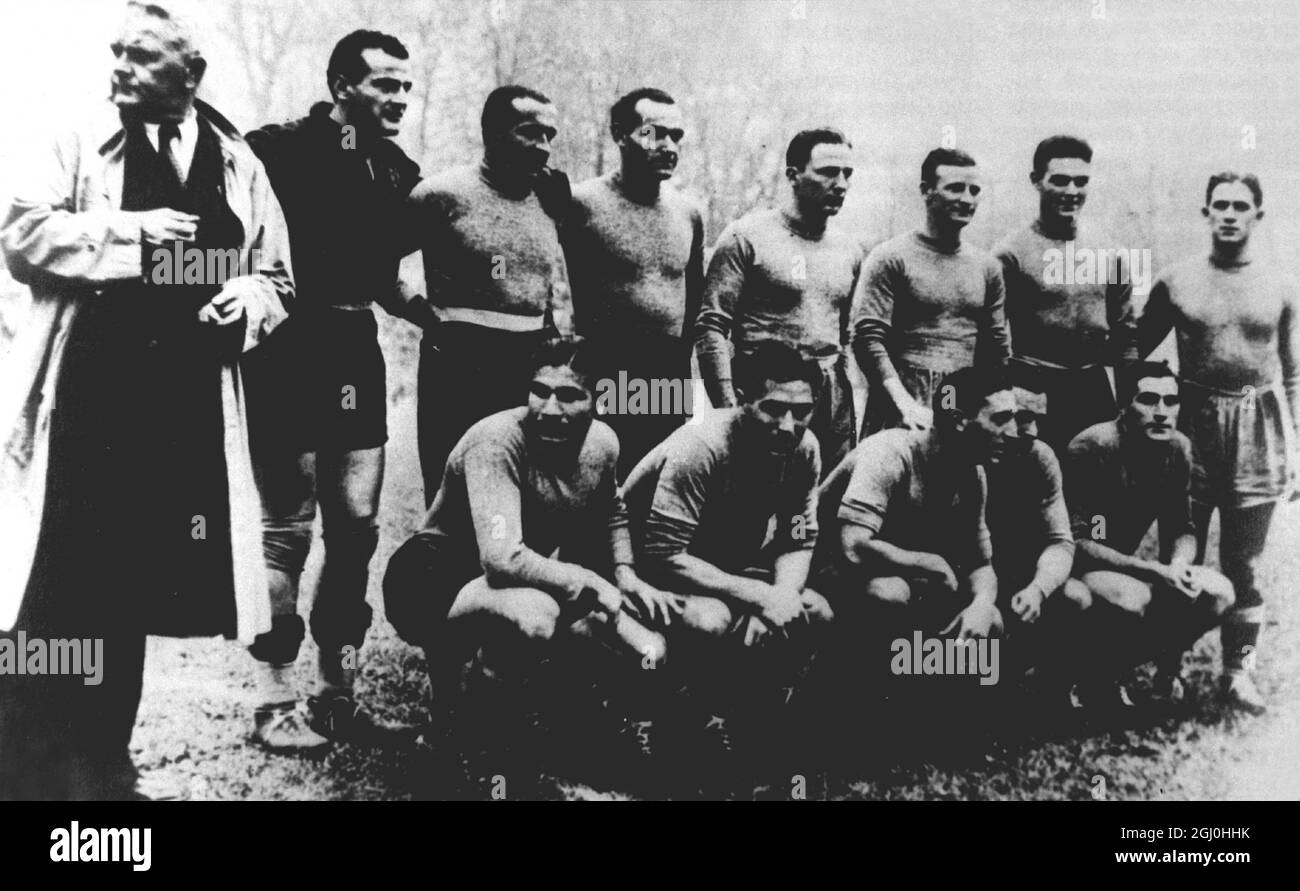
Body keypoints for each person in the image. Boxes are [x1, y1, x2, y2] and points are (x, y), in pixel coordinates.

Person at [0, 1, 291, 799]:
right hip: (91, 398)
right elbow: (22, 236)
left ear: (190, 75)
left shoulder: (235, 160)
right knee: (57, 585)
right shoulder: (78, 141)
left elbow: (278, 277)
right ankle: (26, 769)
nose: (120, 68)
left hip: (187, 411)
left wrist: (246, 302)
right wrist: (129, 233)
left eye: (140, 56)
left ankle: (104, 765)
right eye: (116, 52)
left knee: (132, 588)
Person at [239, 30, 432, 751]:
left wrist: (428, 313)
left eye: (406, 88)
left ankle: (336, 695)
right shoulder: (275, 148)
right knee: (286, 528)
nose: (399, 100)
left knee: (355, 530)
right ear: (341, 84)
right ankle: (272, 700)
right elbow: (238, 235)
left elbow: (383, 276)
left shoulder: (396, 169)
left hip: (355, 348)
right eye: (385, 84)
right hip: (287, 345)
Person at [383, 337, 667, 791]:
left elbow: (612, 510)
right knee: (535, 617)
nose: (551, 409)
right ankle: (470, 744)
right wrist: (591, 580)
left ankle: (566, 729)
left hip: (507, 578)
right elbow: (501, 558)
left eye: (571, 395)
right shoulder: (496, 440)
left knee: (644, 646)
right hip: (430, 575)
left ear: (598, 400)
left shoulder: (603, 443)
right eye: (540, 391)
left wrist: (625, 572)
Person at [621, 340, 833, 768]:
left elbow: (798, 538)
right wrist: (756, 595)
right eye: (773, 408)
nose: (788, 425)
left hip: (720, 568)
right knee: (708, 619)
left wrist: (781, 597)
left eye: (803, 411)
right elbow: (662, 554)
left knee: (813, 610)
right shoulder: (702, 444)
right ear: (741, 399)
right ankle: (643, 711)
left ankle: (742, 716)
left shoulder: (803, 448)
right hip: (641, 572)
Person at [1138, 172, 1297, 713]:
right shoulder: (1177, 280)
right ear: (1205, 213)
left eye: (1241, 206)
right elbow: (1138, 352)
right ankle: (1167, 669)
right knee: (1178, 553)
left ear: (1258, 214)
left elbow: (1294, 374)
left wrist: (1296, 446)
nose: (1229, 214)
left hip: (1259, 430)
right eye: (1220, 205)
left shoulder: (1281, 282)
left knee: (1245, 563)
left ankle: (1237, 675)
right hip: (1192, 429)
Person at [407, 85, 575, 505]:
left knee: (523, 493)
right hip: (459, 361)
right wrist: (422, 313)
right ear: (493, 133)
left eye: (550, 136)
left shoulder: (551, 198)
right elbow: (374, 263)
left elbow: (548, 280)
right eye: (530, 132)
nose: (544, 147)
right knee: (453, 492)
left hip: (529, 362)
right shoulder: (442, 194)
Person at [1065, 362, 1236, 707]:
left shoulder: (1178, 449)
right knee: (1131, 598)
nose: (1161, 412)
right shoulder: (1092, 446)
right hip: (1075, 571)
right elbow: (1079, 543)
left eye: (1171, 401)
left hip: (1127, 570)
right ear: (1124, 405)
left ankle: (1117, 668)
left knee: (1218, 592)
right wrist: (1153, 571)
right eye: (1148, 399)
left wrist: (1177, 564)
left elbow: (1183, 528)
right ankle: (1083, 672)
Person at [695, 128, 864, 475]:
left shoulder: (849, 250)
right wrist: (728, 410)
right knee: (753, 501)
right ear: (793, 175)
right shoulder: (747, 236)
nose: (841, 184)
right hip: (766, 397)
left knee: (823, 499)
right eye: (829, 172)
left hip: (828, 399)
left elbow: (846, 338)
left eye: (848, 174)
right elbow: (711, 327)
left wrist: (843, 411)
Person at [565, 87, 705, 477]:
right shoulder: (582, 203)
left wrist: (683, 363)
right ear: (619, 134)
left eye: (676, 136)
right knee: (604, 478)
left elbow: (694, 297)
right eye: (654, 133)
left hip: (670, 368)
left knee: (663, 476)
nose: (669, 146)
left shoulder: (688, 213)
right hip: (607, 366)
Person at [824, 365, 1007, 652]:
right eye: (1001, 419)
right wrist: (930, 563)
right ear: (959, 420)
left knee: (989, 620)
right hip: (833, 576)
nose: (1012, 431)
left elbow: (981, 564)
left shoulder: (973, 473)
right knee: (890, 593)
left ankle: (929, 690)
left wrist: (982, 604)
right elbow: (853, 547)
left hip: (908, 580)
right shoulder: (888, 453)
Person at [993, 135, 1138, 452]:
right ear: (1037, 181)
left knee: (1095, 490)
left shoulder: (1110, 252)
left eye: (1080, 182)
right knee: (1032, 485)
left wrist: (1129, 407)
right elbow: (991, 337)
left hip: (1092, 389)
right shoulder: (1010, 253)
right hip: (1032, 387)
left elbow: (1126, 336)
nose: (1071, 192)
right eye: (1060, 181)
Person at [852, 147, 1011, 434]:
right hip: (901, 397)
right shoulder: (890, 257)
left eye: (974, 191)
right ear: (926, 191)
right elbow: (868, 340)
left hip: (961, 400)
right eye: (955, 189)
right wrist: (903, 403)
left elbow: (996, 350)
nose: (967, 199)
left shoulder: (987, 268)